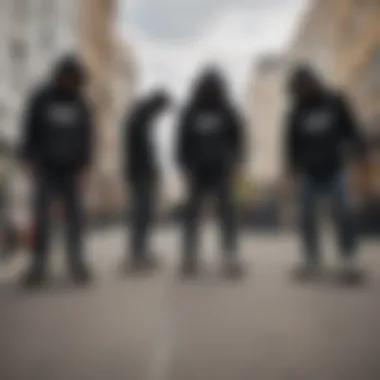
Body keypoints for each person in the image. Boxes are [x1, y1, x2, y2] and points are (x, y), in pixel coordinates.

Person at [285, 65, 367, 280]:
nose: (301, 92)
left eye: (303, 87)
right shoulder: (296, 112)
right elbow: (291, 145)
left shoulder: (335, 101)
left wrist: (360, 155)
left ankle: (348, 258)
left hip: (335, 168)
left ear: (313, 83)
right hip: (309, 172)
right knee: (307, 216)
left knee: (343, 212)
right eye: (297, 89)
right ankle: (312, 259)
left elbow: (352, 129)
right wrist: (291, 173)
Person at [21, 55, 93, 287]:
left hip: (71, 171)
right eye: (67, 77)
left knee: (76, 219)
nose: (70, 82)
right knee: (42, 219)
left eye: (74, 79)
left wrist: (84, 166)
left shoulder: (80, 104)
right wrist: (29, 158)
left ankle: (76, 263)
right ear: (59, 76)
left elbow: (87, 137)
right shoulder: (41, 99)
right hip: (46, 169)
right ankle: (38, 266)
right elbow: (29, 129)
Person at [177, 67, 244, 276]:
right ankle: (190, 256)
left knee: (227, 212)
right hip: (196, 171)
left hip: (221, 170)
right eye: (206, 88)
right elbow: (181, 142)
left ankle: (230, 255)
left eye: (213, 88)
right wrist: (183, 166)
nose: (210, 92)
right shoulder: (190, 111)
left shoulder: (228, 111)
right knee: (192, 214)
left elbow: (238, 139)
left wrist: (236, 164)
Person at [123, 90, 170, 271]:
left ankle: (141, 251)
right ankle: (138, 254)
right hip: (140, 173)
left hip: (141, 173)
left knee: (143, 213)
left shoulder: (143, 117)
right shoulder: (141, 118)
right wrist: (150, 171)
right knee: (141, 214)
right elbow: (141, 150)